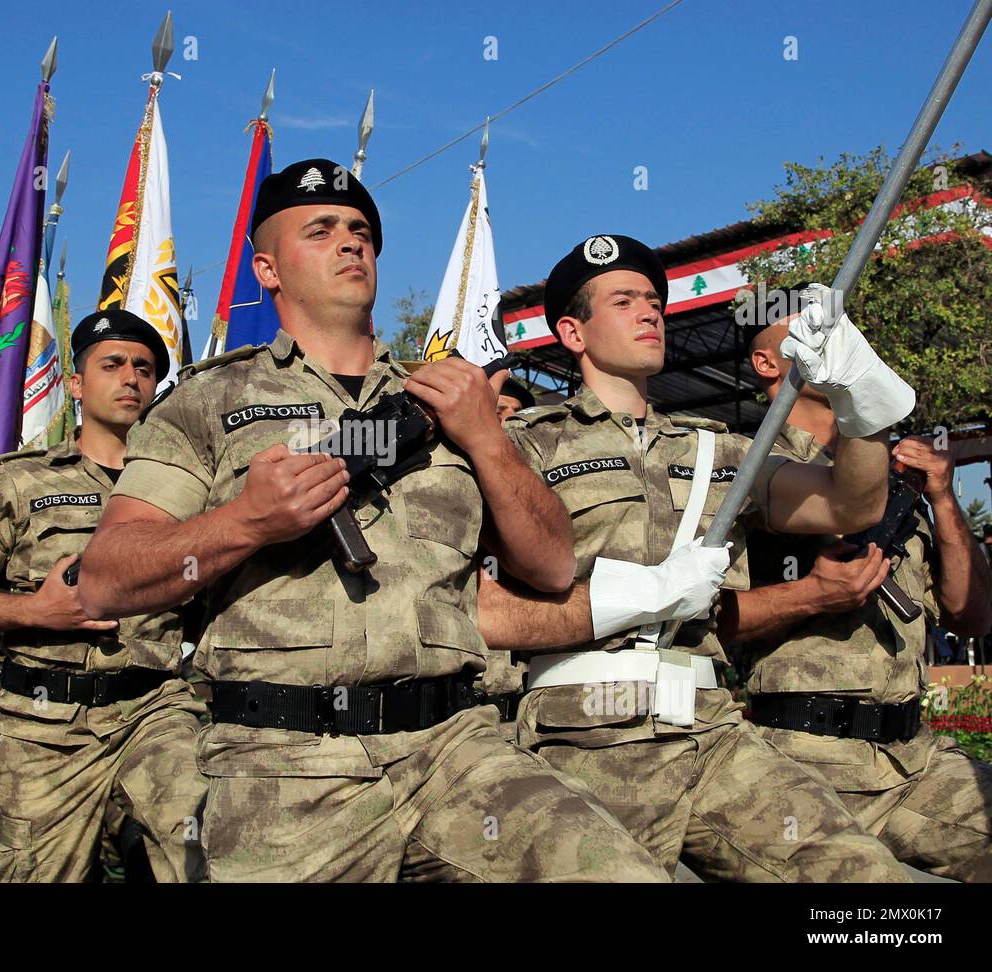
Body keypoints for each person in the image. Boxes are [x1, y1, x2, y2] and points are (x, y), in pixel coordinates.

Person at [78, 160, 668, 883]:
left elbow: (547, 565)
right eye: (320, 230)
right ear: (267, 267)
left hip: (457, 751)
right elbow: (106, 580)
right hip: (284, 764)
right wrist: (247, 522)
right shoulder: (206, 402)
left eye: (361, 231)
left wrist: (485, 437)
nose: (350, 242)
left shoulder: (446, 398)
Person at [478, 238, 914, 881]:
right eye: (623, 301)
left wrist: (864, 406)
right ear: (572, 331)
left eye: (654, 301)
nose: (650, 313)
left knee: (865, 884)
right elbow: (487, 615)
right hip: (580, 732)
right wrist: (639, 597)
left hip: (709, 728)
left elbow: (850, 506)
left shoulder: (723, 450)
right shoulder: (521, 447)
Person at [0, 309, 208, 883]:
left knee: (197, 841)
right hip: (45, 730)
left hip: (154, 711)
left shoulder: (190, 490)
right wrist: (35, 610)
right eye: (113, 365)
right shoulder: (17, 481)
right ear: (76, 384)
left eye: (145, 368)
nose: (131, 377)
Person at [720, 297, 992, 881]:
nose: (831, 341)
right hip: (800, 756)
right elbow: (702, 623)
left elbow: (972, 618)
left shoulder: (900, 479)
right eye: (807, 334)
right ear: (769, 363)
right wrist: (810, 597)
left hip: (911, 758)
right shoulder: (741, 469)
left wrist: (943, 501)